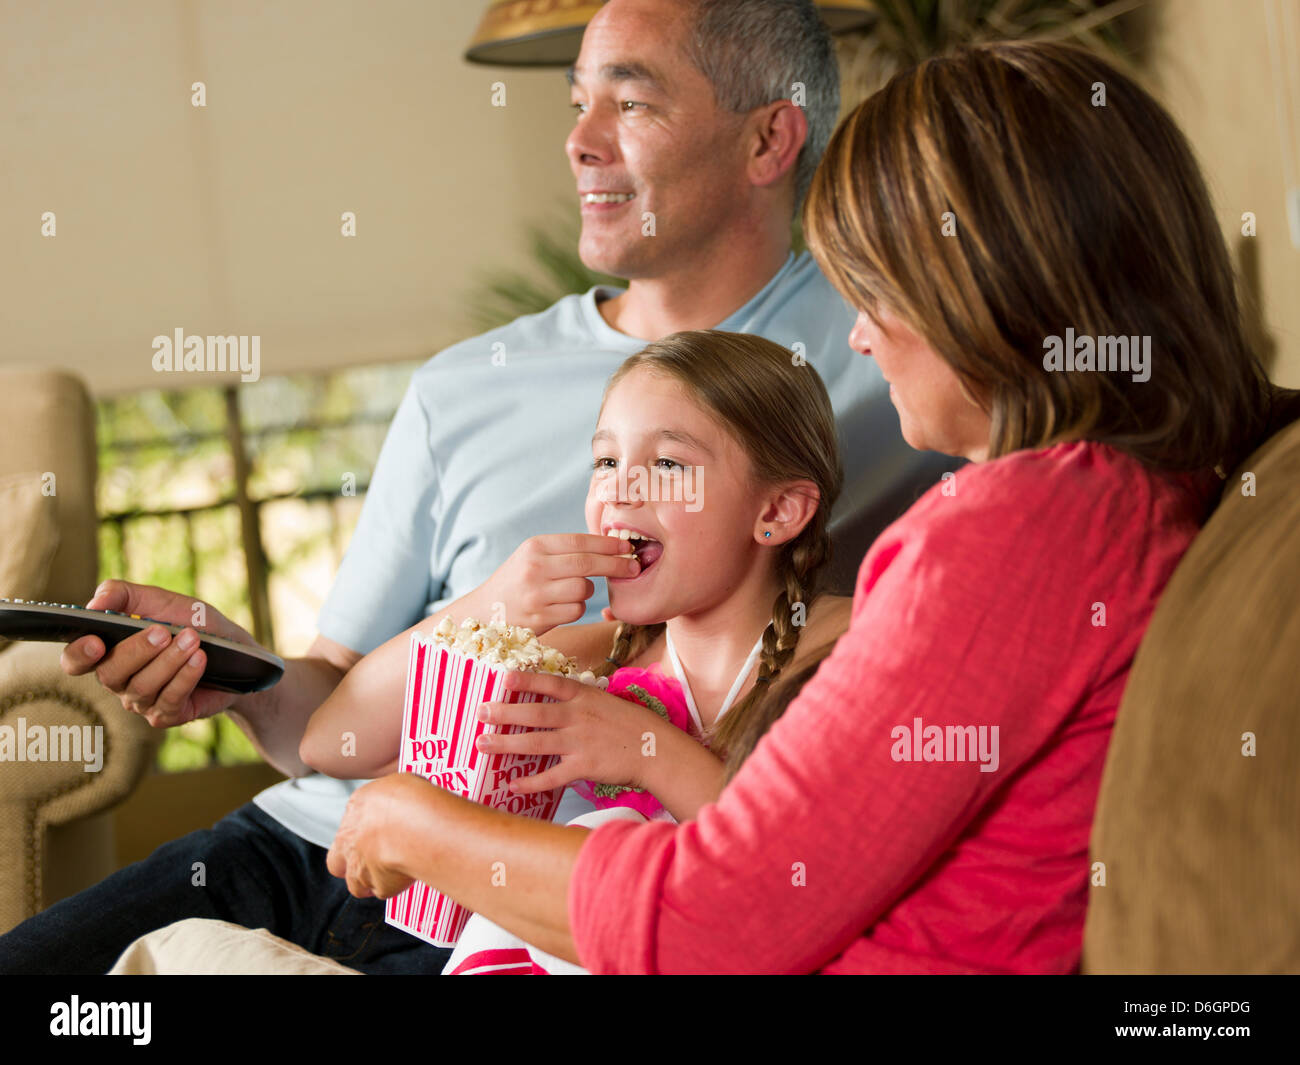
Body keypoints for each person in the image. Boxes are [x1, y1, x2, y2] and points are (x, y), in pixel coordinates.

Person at [0, 0, 951, 974]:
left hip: (538, 897)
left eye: (630, 104)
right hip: (311, 842)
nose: (578, 143)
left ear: (767, 138)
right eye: (577, 104)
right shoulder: (464, 386)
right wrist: (236, 671)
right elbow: (327, 726)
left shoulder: (898, 352)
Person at [312, 40, 1300, 974]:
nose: (861, 336)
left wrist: (415, 826)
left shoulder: (1019, 526)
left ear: (986, 284)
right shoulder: (1143, 488)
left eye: (874, 290)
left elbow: (710, 921)